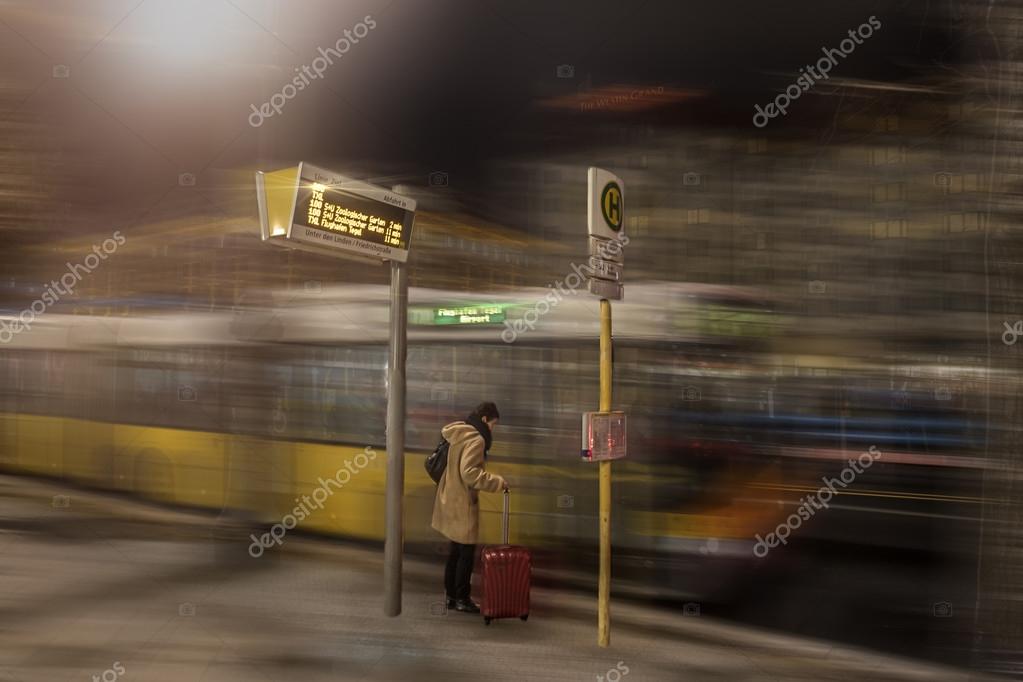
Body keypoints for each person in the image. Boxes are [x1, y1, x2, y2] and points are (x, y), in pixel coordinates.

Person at [431, 401, 508, 613]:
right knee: (466, 553)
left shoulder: (460, 432)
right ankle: (462, 599)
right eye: (493, 424)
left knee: (455, 551)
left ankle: (451, 596)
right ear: (485, 419)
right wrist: (497, 482)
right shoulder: (477, 439)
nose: (492, 429)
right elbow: (469, 473)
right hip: (463, 502)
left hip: (450, 498)